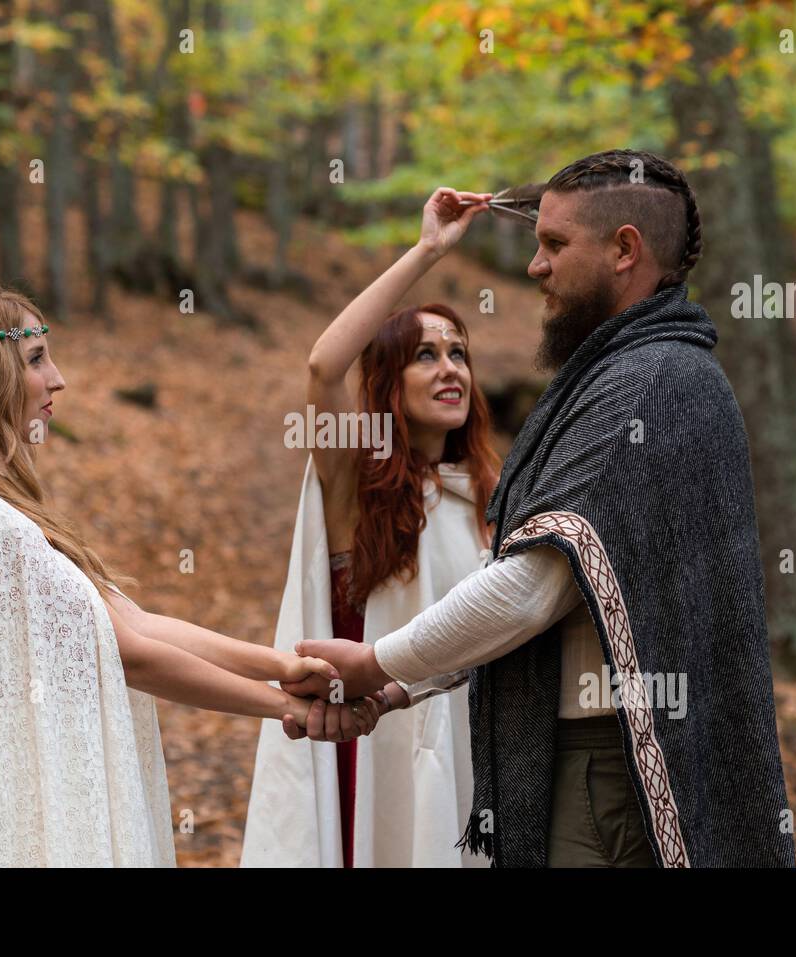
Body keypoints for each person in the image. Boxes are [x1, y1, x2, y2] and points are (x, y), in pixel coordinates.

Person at [293, 150, 796, 868]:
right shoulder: (645, 373)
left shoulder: (645, 385)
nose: (534, 266)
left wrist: (377, 664)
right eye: (424, 355)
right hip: (560, 751)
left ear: (625, 250)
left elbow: (532, 592)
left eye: (555, 244)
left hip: (607, 769)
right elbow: (322, 369)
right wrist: (402, 684)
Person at [0, 274, 355, 867]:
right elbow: (131, 654)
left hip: (53, 785)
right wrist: (288, 709)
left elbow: (135, 624)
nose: (58, 378)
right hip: (40, 810)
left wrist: (284, 667)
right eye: (37, 359)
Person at [242, 188, 502, 868]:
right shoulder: (356, 481)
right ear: (390, 378)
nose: (449, 367)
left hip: (475, 742)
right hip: (374, 736)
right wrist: (426, 251)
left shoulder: (489, 493)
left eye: (458, 353)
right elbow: (324, 365)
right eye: (425, 355)